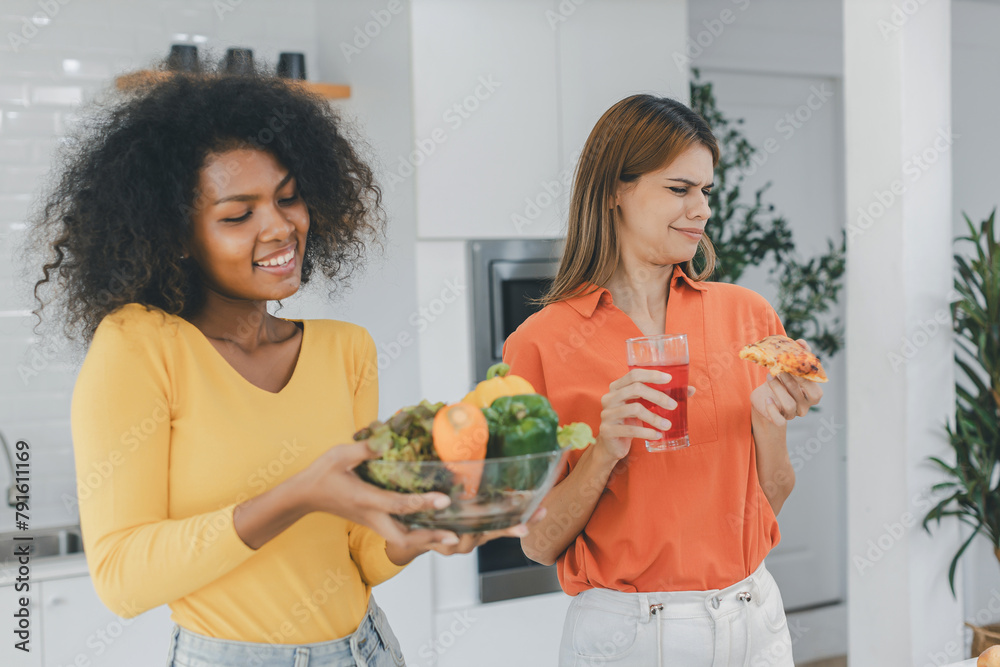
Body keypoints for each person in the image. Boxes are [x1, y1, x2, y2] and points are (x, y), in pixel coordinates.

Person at [29, 60, 534, 666]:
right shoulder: (140, 346)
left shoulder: (345, 349)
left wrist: (420, 529)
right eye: (237, 215)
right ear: (174, 236)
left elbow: (357, 555)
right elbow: (122, 579)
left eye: (288, 199)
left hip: (366, 649)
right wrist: (298, 495)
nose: (279, 227)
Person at [503, 94, 824, 666]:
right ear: (613, 192)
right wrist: (606, 450)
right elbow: (539, 542)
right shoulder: (539, 344)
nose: (700, 209)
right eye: (679, 189)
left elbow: (772, 494)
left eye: (706, 191)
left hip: (754, 619)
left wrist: (768, 420)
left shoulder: (748, 316)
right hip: (630, 636)